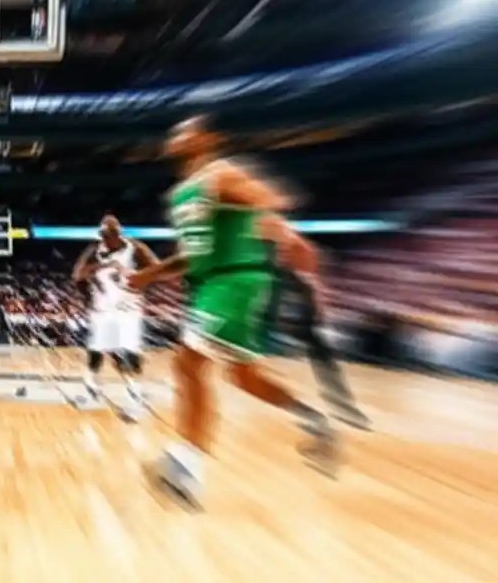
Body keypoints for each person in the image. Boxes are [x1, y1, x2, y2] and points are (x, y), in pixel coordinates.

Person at [128, 114, 338, 508]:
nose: (176, 135)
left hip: (236, 280)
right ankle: (313, 420)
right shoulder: (181, 195)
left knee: (188, 364)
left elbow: (269, 200)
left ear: (208, 138)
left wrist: (287, 234)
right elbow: (191, 255)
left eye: (185, 130)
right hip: (211, 283)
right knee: (245, 377)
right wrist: (149, 276)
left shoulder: (221, 174)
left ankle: (186, 469)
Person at [260, 215, 372, 430]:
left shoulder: (302, 253)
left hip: (289, 302)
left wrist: (315, 313)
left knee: (321, 354)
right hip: (268, 298)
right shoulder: (262, 253)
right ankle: (339, 407)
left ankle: (343, 407)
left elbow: (311, 287)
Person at [72, 214, 158, 422]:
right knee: (98, 350)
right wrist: (102, 268)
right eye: (103, 235)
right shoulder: (95, 250)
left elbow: (156, 267)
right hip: (102, 308)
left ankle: (134, 389)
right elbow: (78, 275)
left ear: (118, 234)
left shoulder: (135, 248)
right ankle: (92, 384)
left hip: (129, 307)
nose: (105, 239)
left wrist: (141, 282)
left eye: (109, 235)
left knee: (130, 352)